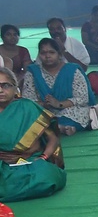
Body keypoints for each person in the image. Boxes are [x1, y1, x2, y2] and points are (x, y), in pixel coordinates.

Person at [0, 67, 64, 202]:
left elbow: (53, 138)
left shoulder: (28, 107)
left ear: (15, 87)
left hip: (32, 163)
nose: (0, 90)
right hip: (3, 167)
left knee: (46, 176)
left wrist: (43, 157)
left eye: (5, 85)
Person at [23, 39, 97, 134]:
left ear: (59, 55)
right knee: (27, 115)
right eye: (43, 53)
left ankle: (52, 128)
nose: (47, 56)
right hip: (44, 110)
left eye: (52, 52)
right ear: (39, 55)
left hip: (69, 109)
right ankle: (61, 128)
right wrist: (45, 104)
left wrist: (59, 104)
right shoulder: (33, 72)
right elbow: (27, 100)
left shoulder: (72, 70)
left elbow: (82, 98)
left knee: (73, 113)